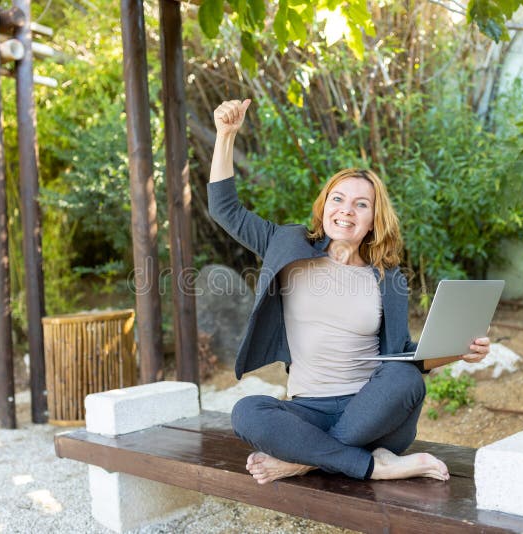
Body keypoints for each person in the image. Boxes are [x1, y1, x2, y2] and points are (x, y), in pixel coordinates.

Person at [208, 98, 491, 484]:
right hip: (308, 409)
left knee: (406, 380)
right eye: (338, 199)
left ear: (373, 220)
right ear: (324, 205)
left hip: (372, 413)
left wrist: (457, 351)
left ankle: (303, 460)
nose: (346, 210)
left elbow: (400, 356)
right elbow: (226, 209)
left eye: (361, 204)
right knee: (247, 412)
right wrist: (226, 135)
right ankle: (374, 466)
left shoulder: (387, 277)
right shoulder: (287, 244)